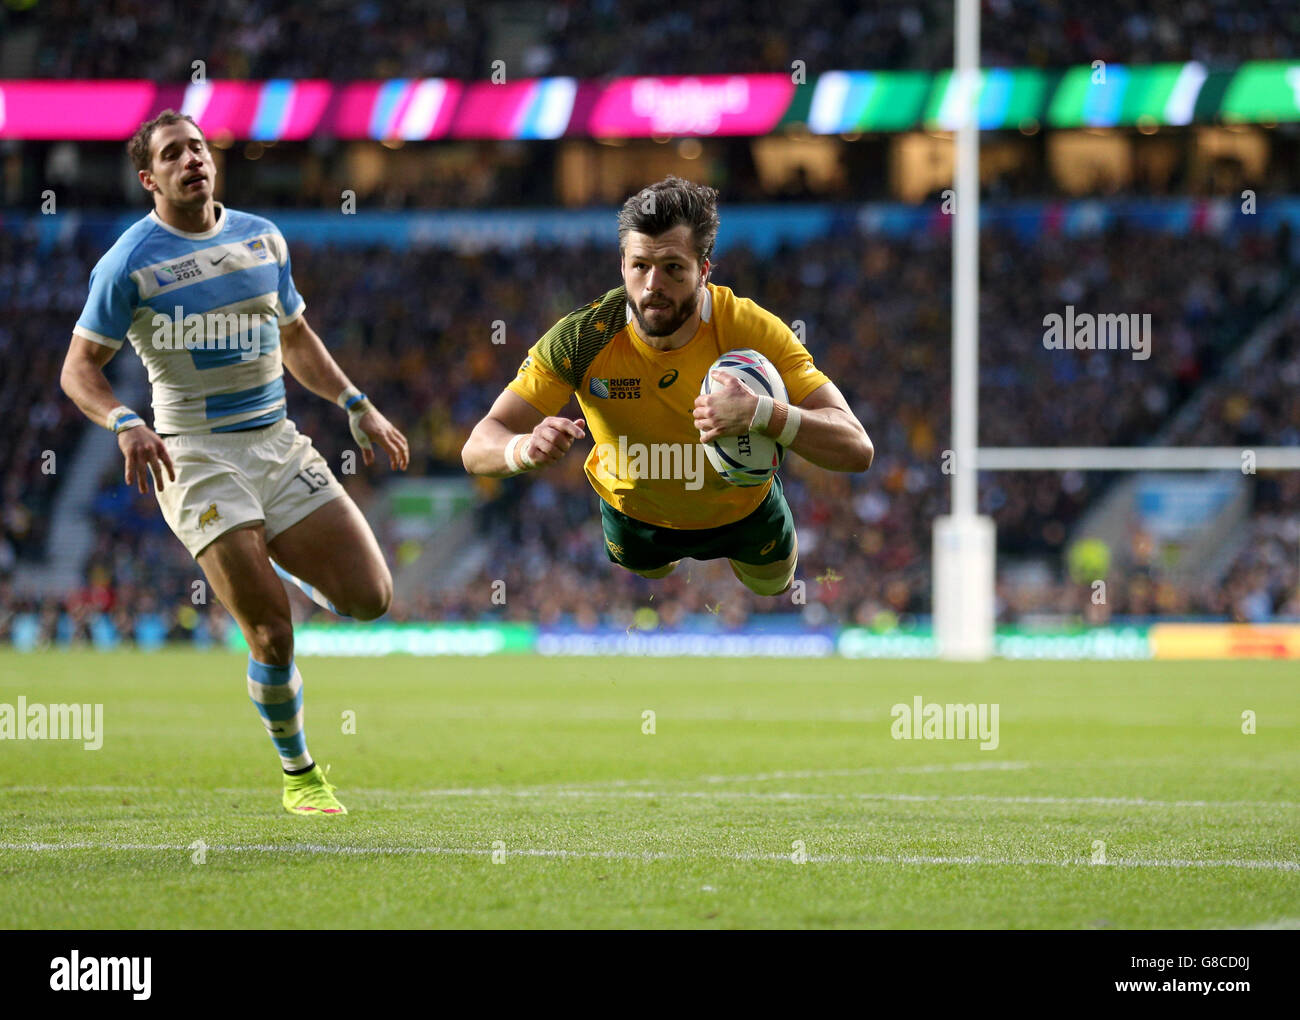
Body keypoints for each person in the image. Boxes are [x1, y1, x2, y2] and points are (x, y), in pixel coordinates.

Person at [60, 111, 410, 815]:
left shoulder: (261, 238)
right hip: (195, 457)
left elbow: (296, 335)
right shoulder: (128, 262)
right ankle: (301, 773)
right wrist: (125, 422)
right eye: (172, 153)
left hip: (276, 445)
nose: (192, 159)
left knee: (371, 599)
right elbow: (78, 369)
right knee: (273, 631)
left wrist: (354, 402)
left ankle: (271, 549)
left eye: (198, 146)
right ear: (148, 177)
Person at [462, 176, 872, 597]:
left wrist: (760, 413)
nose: (654, 284)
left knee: (773, 586)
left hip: (743, 510)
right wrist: (524, 448)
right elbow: (477, 447)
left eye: (673, 267)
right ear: (623, 265)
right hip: (636, 520)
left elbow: (857, 448)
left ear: (703, 271)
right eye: (640, 266)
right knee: (652, 572)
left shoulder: (751, 330)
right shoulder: (582, 338)